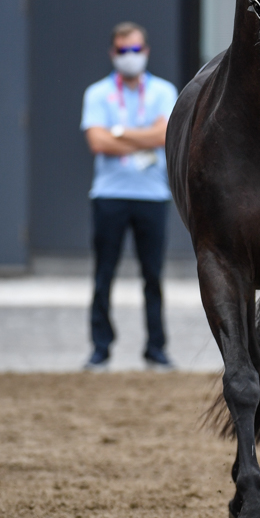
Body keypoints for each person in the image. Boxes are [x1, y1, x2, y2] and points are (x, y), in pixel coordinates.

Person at [80, 22, 177, 371]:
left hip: (152, 194)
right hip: (109, 194)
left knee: (153, 275)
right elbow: (97, 142)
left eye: (135, 50)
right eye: (123, 51)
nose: (129, 57)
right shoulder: (97, 93)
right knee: (103, 274)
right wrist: (143, 134)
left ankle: (156, 348)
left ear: (146, 51)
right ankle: (100, 348)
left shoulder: (165, 91)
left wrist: (119, 132)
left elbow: (165, 135)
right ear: (112, 54)